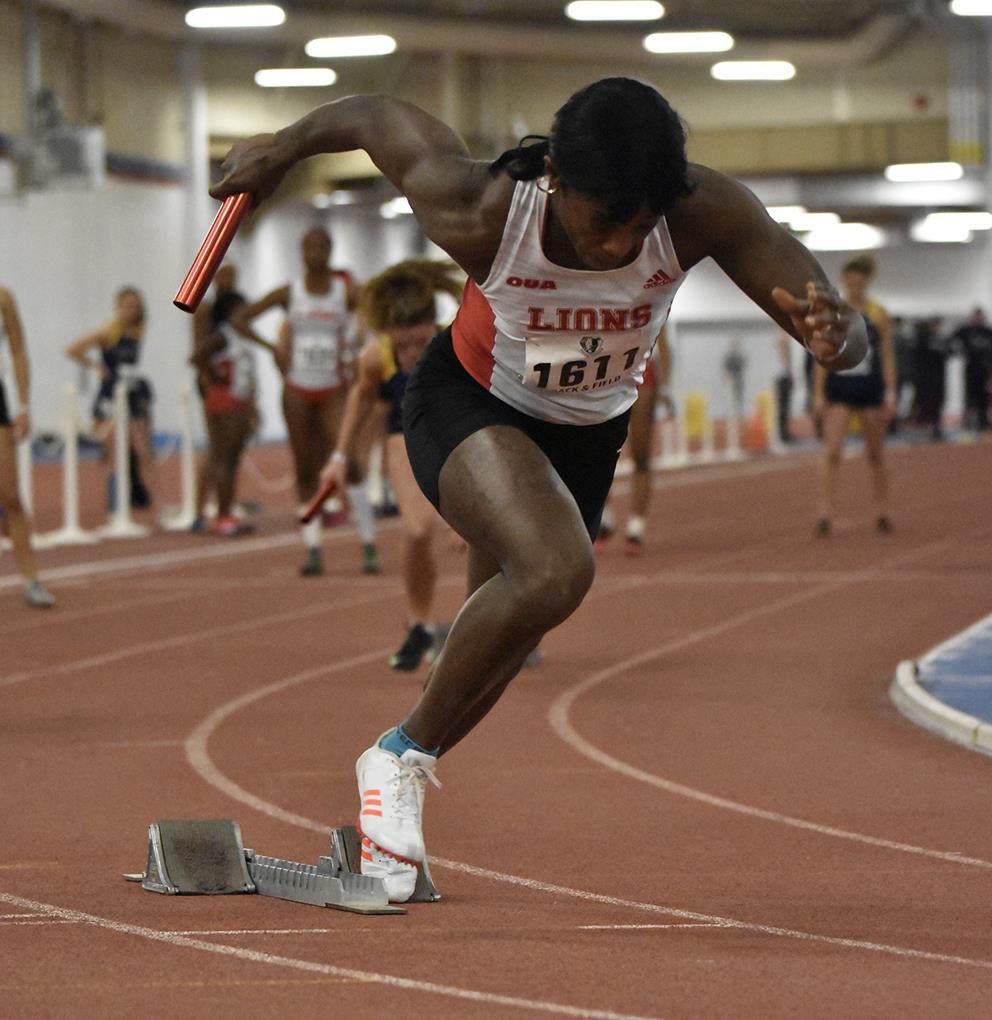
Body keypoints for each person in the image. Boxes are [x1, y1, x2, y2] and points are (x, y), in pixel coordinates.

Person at [211, 78, 867, 902]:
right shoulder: (482, 208)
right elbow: (375, 115)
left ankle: (390, 826)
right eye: (605, 223)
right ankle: (395, 757)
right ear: (555, 177)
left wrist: (839, 339)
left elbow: (839, 326)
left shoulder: (702, 211)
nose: (620, 245)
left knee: (504, 637)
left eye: (640, 225)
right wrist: (279, 149)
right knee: (557, 570)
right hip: (468, 403)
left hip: (587, 438)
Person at [315, 260, 462, 670]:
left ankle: (504, 629)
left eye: (419, 342)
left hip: (461, 433)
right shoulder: (375, 358)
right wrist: (340, 458)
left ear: (431, 326)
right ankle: (420, 624)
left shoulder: (456, 345)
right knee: (416, 531)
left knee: (483, 534)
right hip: (406, 433)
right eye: (403, 346)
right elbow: (362, 398)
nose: (413, 354)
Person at [238, 229, 378, 575]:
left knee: (349, 463)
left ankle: (369, 543)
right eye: (309, 247)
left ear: (330, 251)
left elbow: (378, 309)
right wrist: (273, 348)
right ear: (301, 251)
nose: (315, 253)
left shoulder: (343, 292)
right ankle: (313, 548)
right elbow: (240, 318)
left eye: (321, 247)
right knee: (304, 466)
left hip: (333, 388)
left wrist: (359, 346)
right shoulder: (291, 292)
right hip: (297, 389)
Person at [813, 254, 897, 536]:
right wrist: (818, 394)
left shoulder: (878, 313)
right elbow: (822, 354)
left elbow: (886, 354)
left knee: (875, 453)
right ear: (844, 282)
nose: (855, 287)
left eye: (860, 283)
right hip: (839, 387)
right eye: (850, 282)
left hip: (870, 388)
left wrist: (890, 392)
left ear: (867, 282)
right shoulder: (834, 311)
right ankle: (825, 513)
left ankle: (883, 511)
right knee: (832, 451)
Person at [191, 284, 271, 535]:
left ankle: (225, 512)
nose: (247, 316)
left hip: (237, 401)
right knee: (226, 459)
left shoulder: (239, 337)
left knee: (230, 459)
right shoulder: (223, 335)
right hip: (226, 402)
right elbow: (197, 357)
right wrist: (214, 376)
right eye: (242, 312)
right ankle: (223, 516)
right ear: (230, 313)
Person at [67, 288, 154, 515]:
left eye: (135, 306)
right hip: (110, 398)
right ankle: (115, 506)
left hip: (131, 396)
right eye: (126, 306)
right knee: (114, 452)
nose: (131, 311)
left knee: (141, 449)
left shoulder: (137, 333)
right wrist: (96, 366)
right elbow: (73, 349)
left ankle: (137, 496)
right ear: (118, 307)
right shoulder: (108, 333)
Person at [0, 287, 55, 608]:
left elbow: (18, 350)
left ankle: (31, 579)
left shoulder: (2, 296)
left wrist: (23, 404)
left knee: (10, 494)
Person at [595, 328, 669, 554]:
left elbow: (664, 343)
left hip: (643, 373)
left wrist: (665, 388)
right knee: (599, 448)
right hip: (609, 371)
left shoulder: (651, 293)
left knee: (640, 452)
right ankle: (603, 516)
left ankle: (636, 526)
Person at [949, 307, 992, 433]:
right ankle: (968, 421)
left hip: (984, 370)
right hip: (970, 369)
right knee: (969, 396)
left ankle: (983, 421)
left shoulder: (987, 332)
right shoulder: (966, 331)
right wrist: (957, 350)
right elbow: (952, 339)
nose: (977, 319)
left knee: (983, 396)